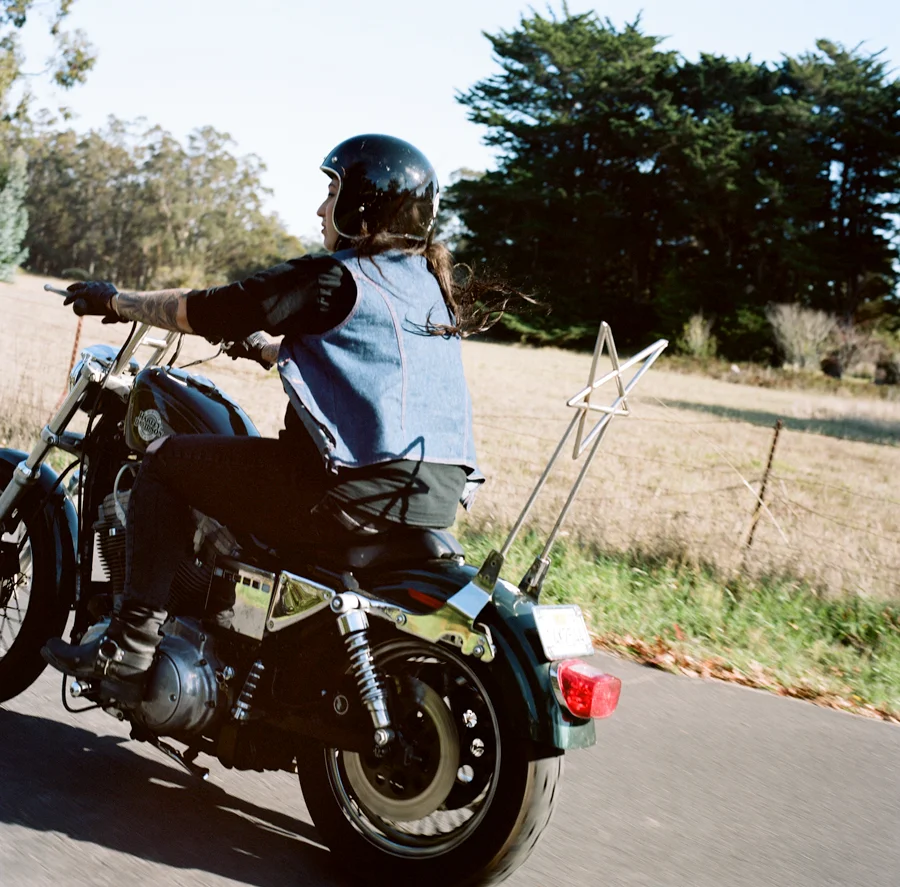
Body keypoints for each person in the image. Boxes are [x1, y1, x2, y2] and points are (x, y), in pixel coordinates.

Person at [42, 134, 508, 705]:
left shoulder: (335, 277)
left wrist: (116, 302)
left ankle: (129, 649)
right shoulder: (427, 287)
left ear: (361, 205)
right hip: (430, 495)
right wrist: (267, 347)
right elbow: (368, 366)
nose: (319, 208)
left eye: (331, 190)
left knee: (164, 463)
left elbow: (207, 308)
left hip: (345, 491)